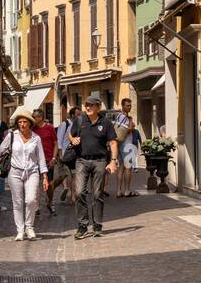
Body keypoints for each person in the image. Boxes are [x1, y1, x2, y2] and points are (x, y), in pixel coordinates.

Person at [0, 107, 49, 241]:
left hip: (32, 172)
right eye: (20, 122)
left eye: (25, 122)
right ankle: (20, 230)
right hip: (15, 172)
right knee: (17, 202)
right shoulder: (12, 136)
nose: (22, 124)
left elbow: (41, 158)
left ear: (30, 123)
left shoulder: (36, 138)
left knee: (31, 200)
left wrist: (45, 176)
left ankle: (29, 227)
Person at [69, 93, 118, 239]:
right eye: (86, 105)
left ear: (98, 107)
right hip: (82, 161)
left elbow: (113, 142)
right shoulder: (79, 120)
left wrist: (113, 161)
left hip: (100, 161)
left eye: (91, 105)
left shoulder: (106, 123)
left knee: (97, 194)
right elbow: (70, 135)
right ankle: (82, 226)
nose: (88, 107)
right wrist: (74, 139)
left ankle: (97, 226)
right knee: (79, 192)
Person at [111, 97, 140, 198]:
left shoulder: (118, 116)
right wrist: (132, 124)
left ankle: (118, 191)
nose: (129, 107)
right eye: (127, 105)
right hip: (127, 145)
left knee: (120, 168)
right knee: (128, 167)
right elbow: (129, 129)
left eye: (130, 105)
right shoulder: (125, 117)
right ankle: (127, 190)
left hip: (119, 144)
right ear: (122, 106)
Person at [32, 109, 58, 216]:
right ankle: (36, 207)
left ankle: (50, 203)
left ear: (41, 117)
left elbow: (55, 143)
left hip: (48, 160)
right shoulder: (32, 129)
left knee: (50, 184)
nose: (34, 119)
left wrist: (54, 158)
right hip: (35, 161)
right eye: (33, 117)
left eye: (36, 117)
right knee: (35, 184)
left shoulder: (49, 128)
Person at [54, 107, 79, 206]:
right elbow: (59, 139)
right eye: (78, 114)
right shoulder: (65, 124)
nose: (79, 116)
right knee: (68, 174)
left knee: (73, 175)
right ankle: (70, 193)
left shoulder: (77, 125)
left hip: (73, 153)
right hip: (64, 153)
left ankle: (68, 191)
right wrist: (60, 154)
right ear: (72, 115)